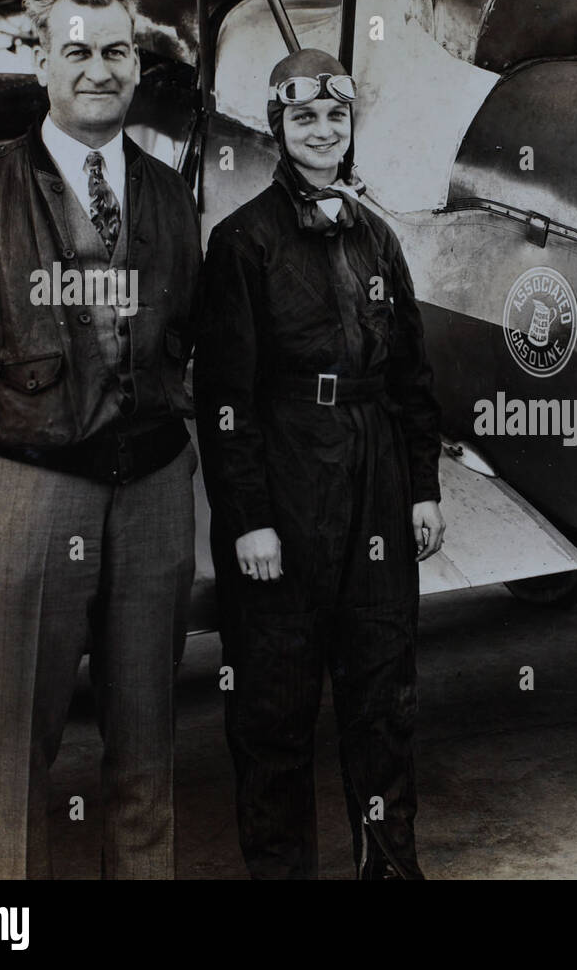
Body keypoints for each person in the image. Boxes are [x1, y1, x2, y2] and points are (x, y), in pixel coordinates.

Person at [0, 0, 201, 879]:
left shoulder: (168, 198)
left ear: (137, 67)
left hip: (150, 492)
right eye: (77, 51)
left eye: (116, 51)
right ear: (42, 61)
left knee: (146, 741)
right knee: (14, 744)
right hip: (27, 496)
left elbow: (184, 333)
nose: (98, 69)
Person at [194, 48, 444, 880]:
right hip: (289, 474)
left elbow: (412, 376)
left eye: (336, 116)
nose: (323, 129)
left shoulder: (376, 237)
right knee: (274, 704)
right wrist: (251, 519)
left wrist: (422, 491)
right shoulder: (242, 243)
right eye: (304, 117)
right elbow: (224, 397)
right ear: (279, 127)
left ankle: (391, 867)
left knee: (384, 694)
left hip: (373, 472)